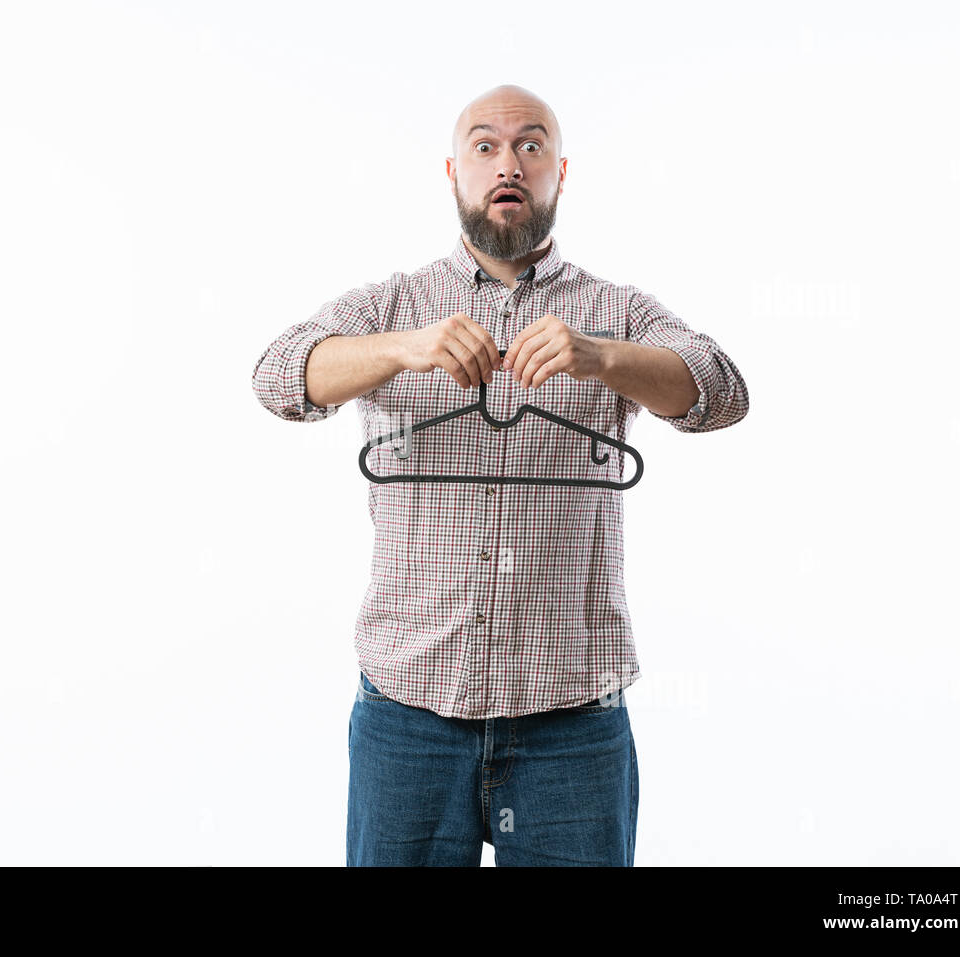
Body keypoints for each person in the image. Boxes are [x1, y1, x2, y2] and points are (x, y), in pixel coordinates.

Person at [250, 84, 750, 866]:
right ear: (454, 170)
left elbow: (720, 389)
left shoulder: (615, 309)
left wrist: (602, 356)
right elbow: (278, 376)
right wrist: (403, 347)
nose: (507, 163)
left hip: (574, 725)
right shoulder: (392, 304)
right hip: (406, 717)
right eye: (485, 146)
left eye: (531, 145)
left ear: (559, 172)